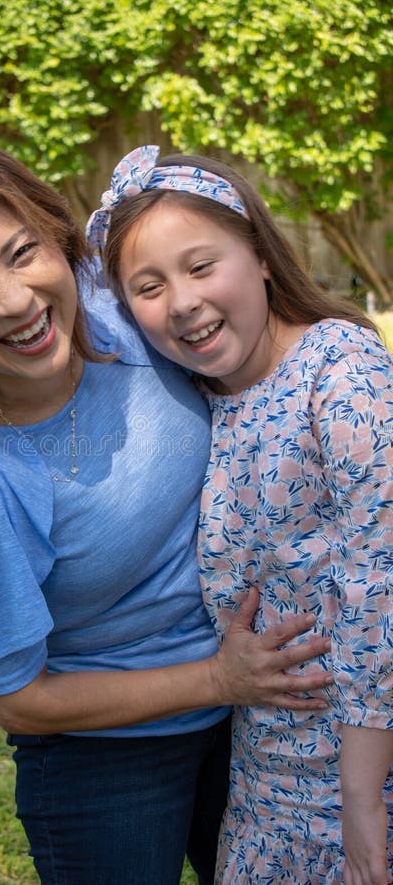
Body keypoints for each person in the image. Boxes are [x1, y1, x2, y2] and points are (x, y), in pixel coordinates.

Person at [0, 132, 333, 885]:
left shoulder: (123, 306)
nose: (16, 300)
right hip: (108, 760)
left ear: (56, 237)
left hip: (262, 711)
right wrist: (218, 679)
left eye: (21, 253)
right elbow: (21, 701)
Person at [87, 144, 393, 884]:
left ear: (258, 252)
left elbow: (376, 593)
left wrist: (362, 806)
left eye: (200, 266)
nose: (182, 301)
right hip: (264, 795)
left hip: (363, 785)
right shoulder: (199, 404)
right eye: (148, 286)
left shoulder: (341, 368)